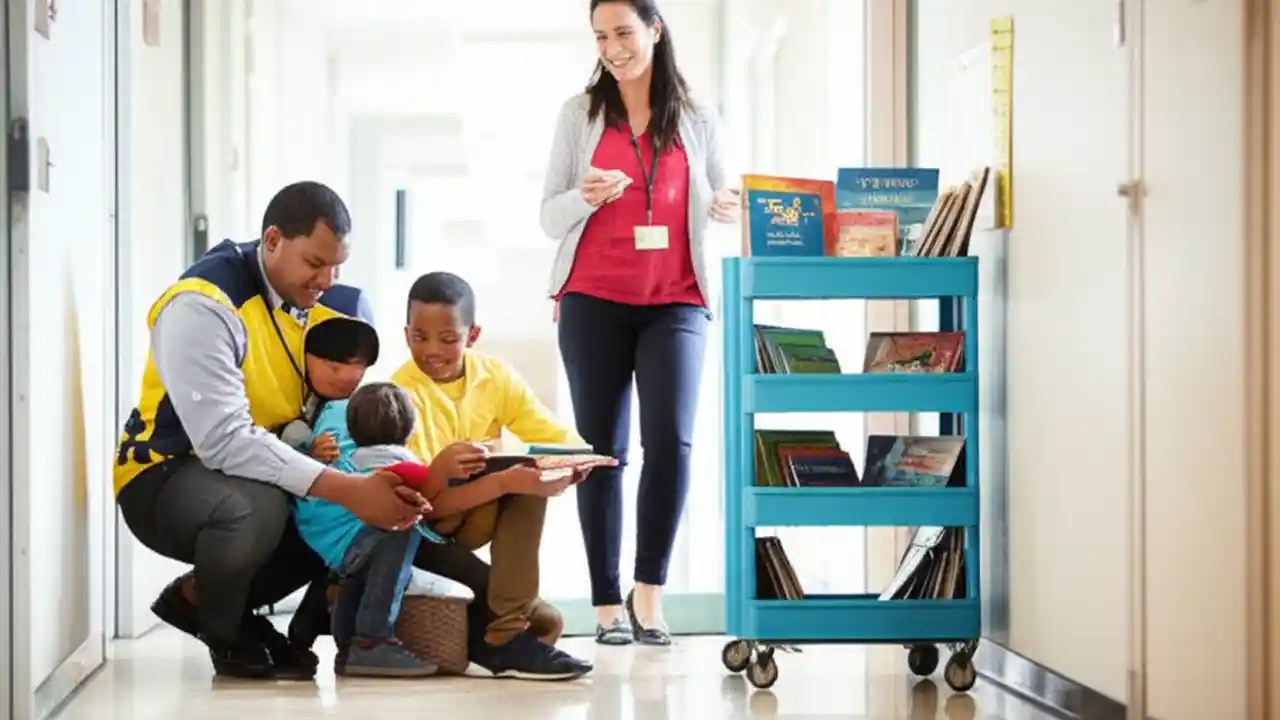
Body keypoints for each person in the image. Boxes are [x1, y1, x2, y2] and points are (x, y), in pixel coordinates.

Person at [113, 181, 429, 679]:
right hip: (165, 474)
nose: (325, 279)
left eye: (335, 265)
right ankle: (227, 630)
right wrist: (346, 488)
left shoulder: (309, 300)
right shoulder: (203, 306)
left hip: (252, 466)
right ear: (274, 240)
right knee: (264, 506)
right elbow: (224, 441)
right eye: (314, 263)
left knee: (324, 509)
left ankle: (200, 598)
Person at [540, 0, 738, 646]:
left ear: (655, 30)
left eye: (624, 32)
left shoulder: (699, 118)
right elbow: (549, 216)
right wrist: (585, 197)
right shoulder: (580, 114)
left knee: (672, 442)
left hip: (677, 301)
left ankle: (648, 592)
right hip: (593, 299)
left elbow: (719, 197)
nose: (613, 47)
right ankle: (605, 604)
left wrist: (730, 204)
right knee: (602, 451)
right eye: (601, 36)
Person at [392, 271, 594, 680]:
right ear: (406, 333)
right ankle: (505, 638)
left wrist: (579, 461)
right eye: (419, 337)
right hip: (429, 528)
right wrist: (504, 481)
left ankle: (505, 635)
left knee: (546, 620)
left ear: (473, 334)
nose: (431, 351)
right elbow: (427, 503)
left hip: (478, 512)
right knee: (543, 619)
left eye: (448, 339)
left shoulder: (494, 376)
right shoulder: (401, 391)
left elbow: (552, 433)